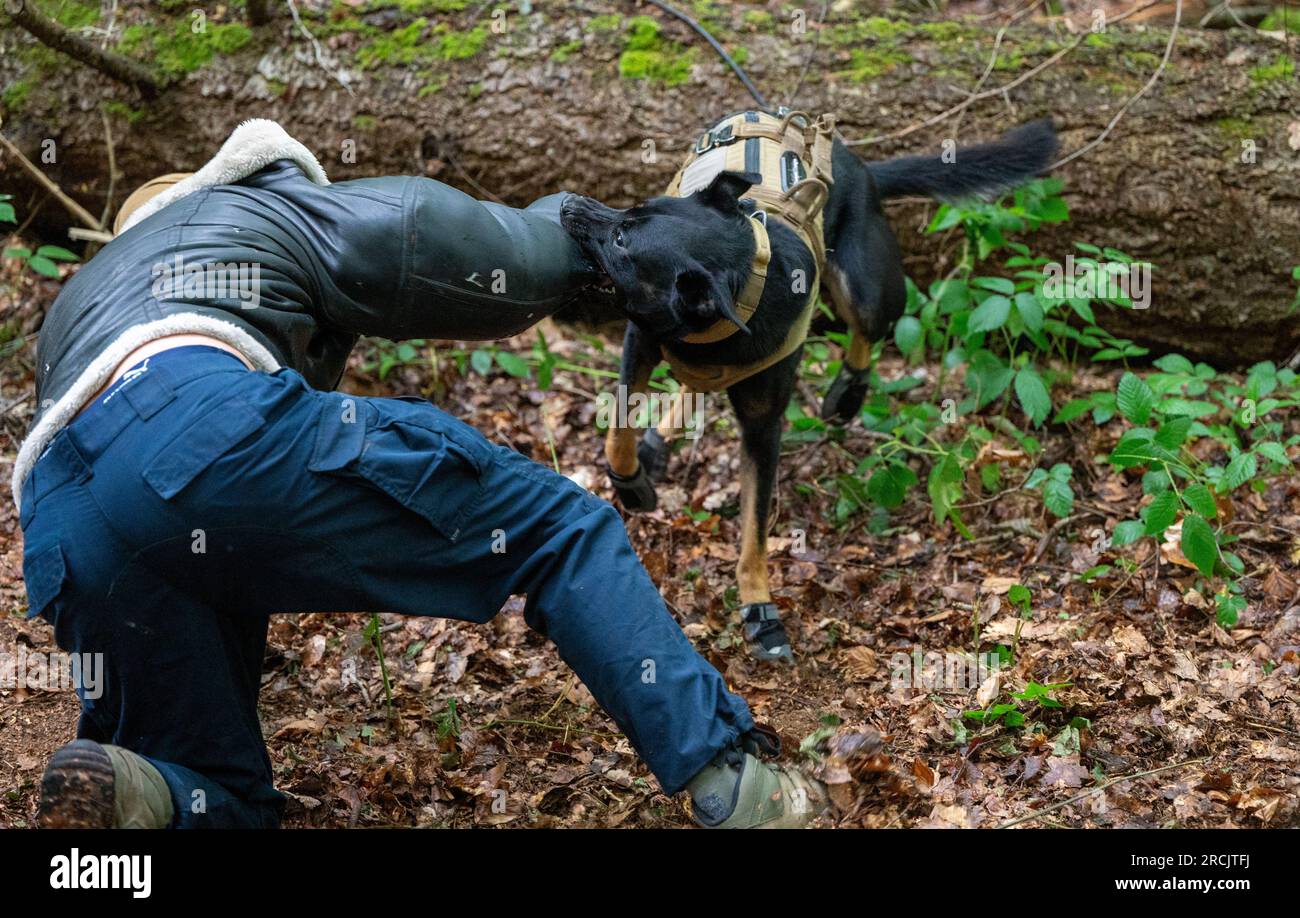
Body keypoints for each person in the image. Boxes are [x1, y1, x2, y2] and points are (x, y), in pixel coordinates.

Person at [16, 120, 823, 829]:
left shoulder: (91, 292)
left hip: (63, 527)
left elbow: (136, 467)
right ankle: (737, 784)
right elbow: (442, 239)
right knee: (560, 530)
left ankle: (141, 792)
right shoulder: (260, 203)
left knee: (218, 793)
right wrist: (602, 242)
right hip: (203, 432)